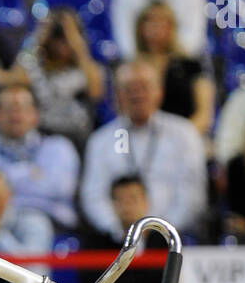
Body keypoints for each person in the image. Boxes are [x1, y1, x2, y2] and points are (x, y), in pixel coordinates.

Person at [79, 59, 207, 237]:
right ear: (117, 95)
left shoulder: (184, 134)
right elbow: (93, 196)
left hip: (173, 237)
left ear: (159, 92)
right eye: (129, 88)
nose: (137, 94)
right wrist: (119, 230)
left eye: (144, 87)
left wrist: (159, 231)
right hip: (117, 239)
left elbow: (192, 195)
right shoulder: (101, 141)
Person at [0, 83, 80, 230]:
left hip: (47, 222)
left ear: (35, 115)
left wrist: (2, 183)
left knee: (33, 224)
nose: (15, 115)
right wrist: (32, 174)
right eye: (8, 108)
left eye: (23, 108)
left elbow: (59, 189)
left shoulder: (59, 147)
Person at [12, 6, 104, 150]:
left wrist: (76, 41)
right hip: (42, 134)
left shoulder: (86, 68)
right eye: (57, 37)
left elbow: (95, 92)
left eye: (66, 39)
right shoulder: (36, 67)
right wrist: (37, 38)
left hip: (77, 136)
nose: (63, 43)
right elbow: (16, 79)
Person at [134, 1, 215, 141]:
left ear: (172, 27)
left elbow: (204, 115)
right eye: (149, 21)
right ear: (140, 27)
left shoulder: (192, 66)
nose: (155, 27)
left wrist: (177, 141)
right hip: (142, 144)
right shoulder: (130, 70)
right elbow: (123, 113)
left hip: (186, 141)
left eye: (161, 21)